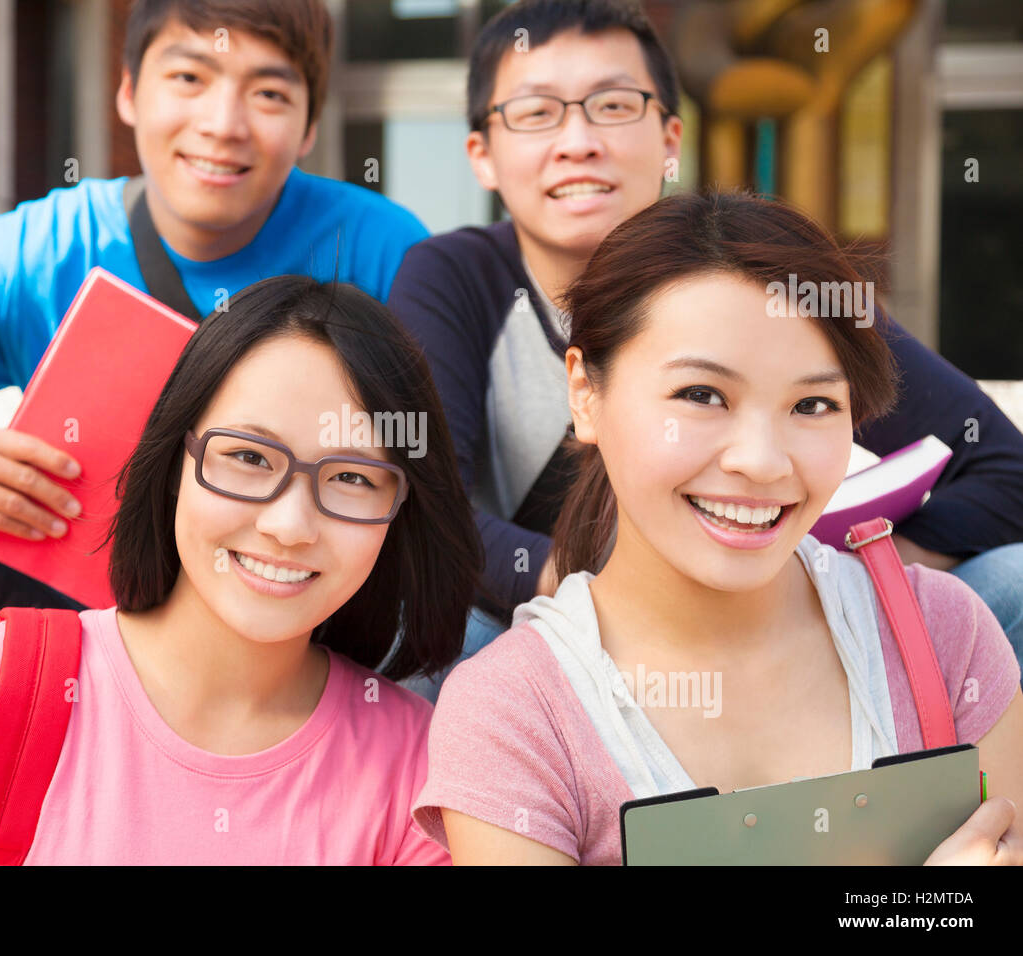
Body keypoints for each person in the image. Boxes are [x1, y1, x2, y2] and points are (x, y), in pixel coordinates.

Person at [0, 0, 429, 752]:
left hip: (282, 604)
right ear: (128, 91)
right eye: (190, 76)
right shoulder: (40, 249)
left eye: (269, 93)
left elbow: (438, 475)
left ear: (311, 123)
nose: (224, 122)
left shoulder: (382, 250)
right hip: (88, 602)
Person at [389, 0, 1023, 702]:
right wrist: (627, 597)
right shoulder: (451, 278)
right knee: (431, 641)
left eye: (614, 105)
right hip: (548, 626)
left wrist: (851, 570)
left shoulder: (763, 265)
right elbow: (425, 503)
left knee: (1015, 581)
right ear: (481, 153)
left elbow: (1005, 466)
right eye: (537, 112)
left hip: (776, 615)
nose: (578, 140)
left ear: (671, 139)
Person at [411, 190, 1023, 865]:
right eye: (702, 396)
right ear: (585, 393)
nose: (761, 461)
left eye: (812, 404)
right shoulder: (513, 715)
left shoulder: (946, 637)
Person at [0, 276, 481, 865]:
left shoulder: (417, 769)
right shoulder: (1, 680)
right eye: (249, 459)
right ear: (173, 463)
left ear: (400, 510)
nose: (289, 524)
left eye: (349, 477)